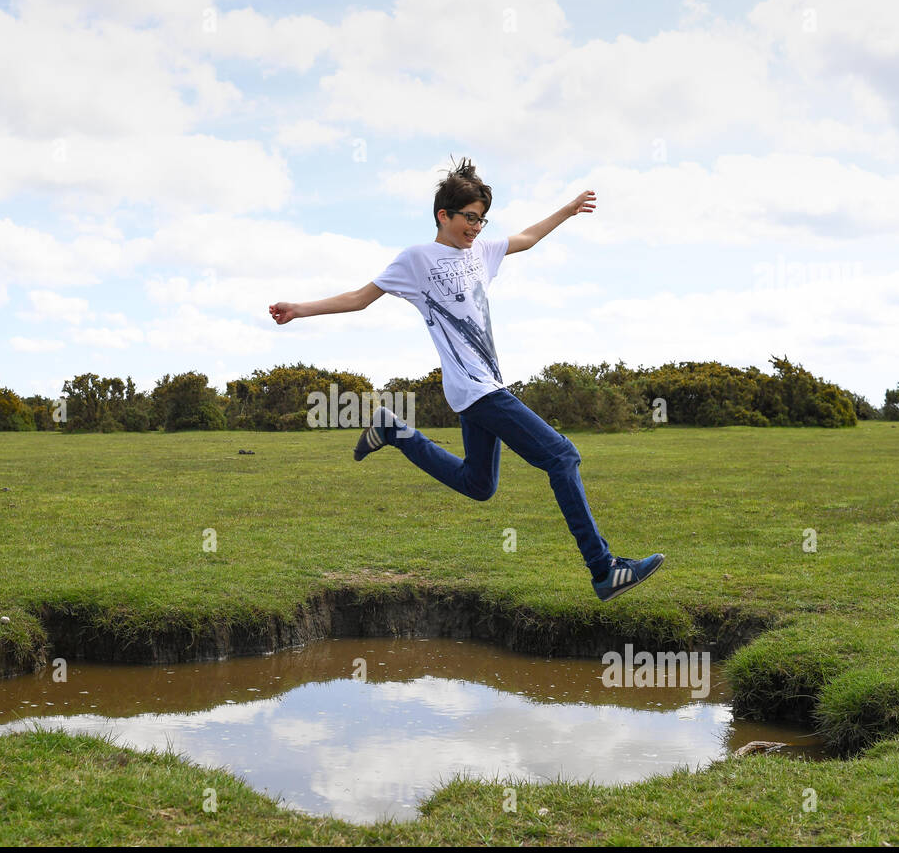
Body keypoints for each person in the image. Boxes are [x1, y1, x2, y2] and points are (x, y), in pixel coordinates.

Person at [268, 157, 663, 602]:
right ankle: (603, 568)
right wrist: (300, 308)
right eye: (470, 218)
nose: (476, 227)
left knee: (479, 485)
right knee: (563, 456)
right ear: (444, 215)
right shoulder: (417, 260)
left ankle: (393, 431)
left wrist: (568, 210)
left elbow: (528, 238)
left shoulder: (482, 252)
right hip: (477, 389)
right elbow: (360, 299)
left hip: (482, 386)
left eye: (482, 219)